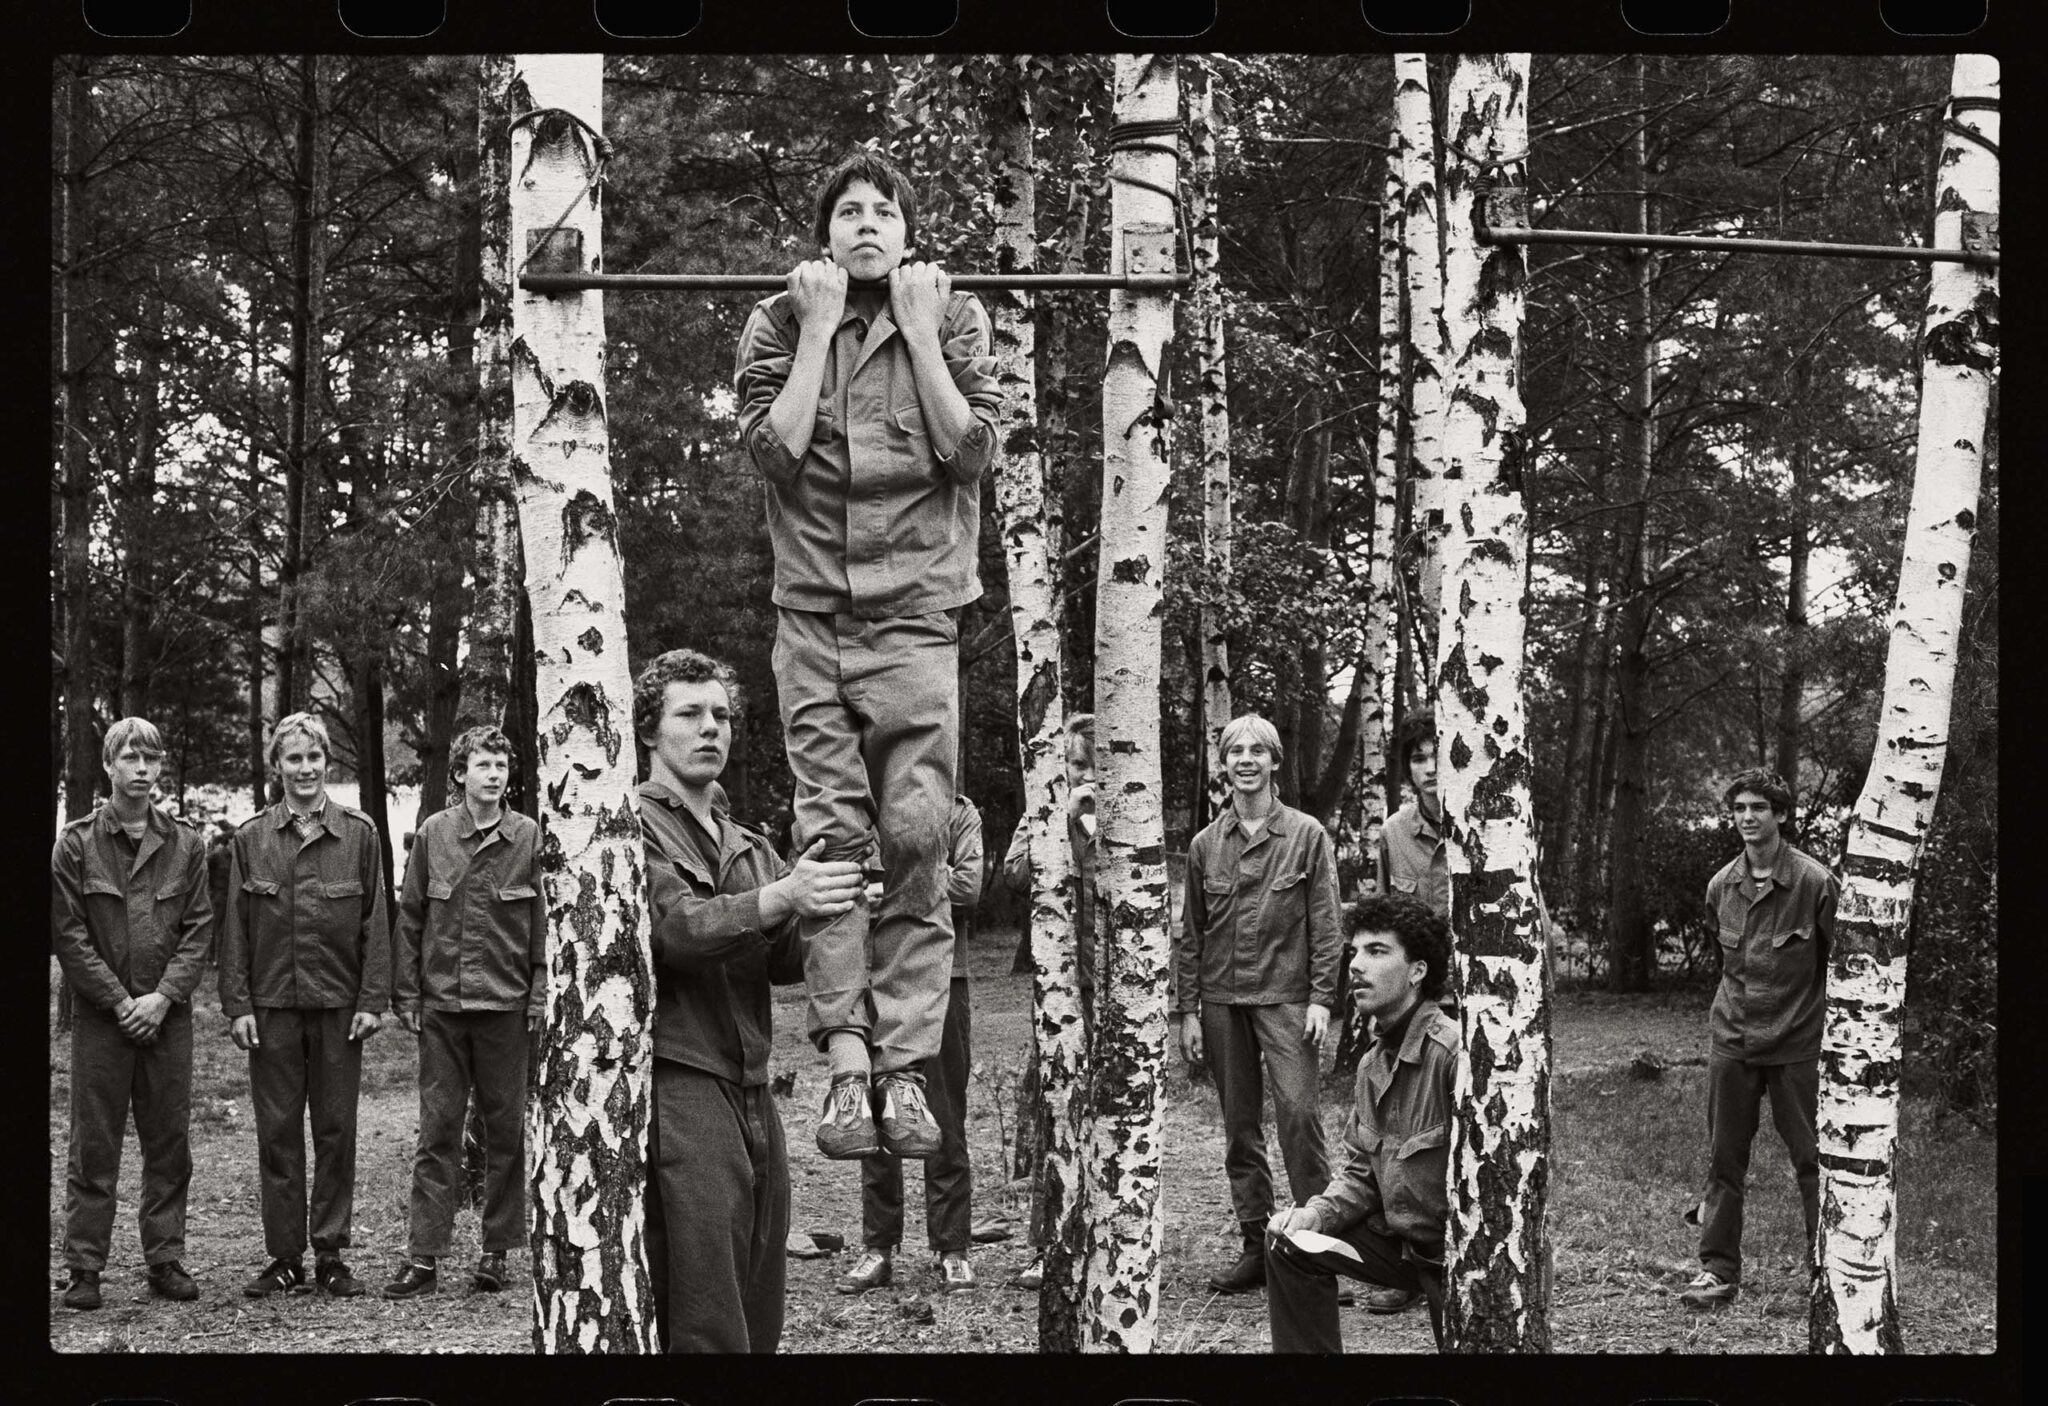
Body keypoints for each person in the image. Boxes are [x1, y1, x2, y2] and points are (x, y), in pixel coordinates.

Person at [733, 148, 1001, 1163]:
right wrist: (811, 329)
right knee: (832, 840)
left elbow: (969, 451)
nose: (865, 225)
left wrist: (923, 332)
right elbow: (775, 451)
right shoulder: (774, 318)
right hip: (809, 617)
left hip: (918, 618)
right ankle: (848, 1060)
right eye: (846, 211)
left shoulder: (955, 315)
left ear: (908, 231)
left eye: (883, 211)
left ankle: (905, 1065)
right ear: (823, 235)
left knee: (919, 830)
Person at [633, 648, 867, 1351]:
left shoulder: (748, 843)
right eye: (690, 714)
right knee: (707, 1311)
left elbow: (783, 959)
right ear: (649, 731)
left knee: (759, 1296)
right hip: (682, 1080)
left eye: (722, 716)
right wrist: (780, 896)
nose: (711, 729)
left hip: (755, 1089)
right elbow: (674, 931)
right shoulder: (627, 826)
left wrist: (838, 906)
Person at [218, 711, 390, 1300]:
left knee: (337, 1130)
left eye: (314, 757)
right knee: (279, 1133)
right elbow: (235, 931)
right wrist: (238, 1005)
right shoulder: (252, 838)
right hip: (272, 1009)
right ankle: (285, 1255)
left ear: (327, 763)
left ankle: (331, 1254)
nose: (305, 769)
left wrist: (372, 998)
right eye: (293, 759)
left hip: (341, 1007)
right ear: (277, 767)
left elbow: (376, 922)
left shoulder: (359, 834)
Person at [1176, 712, 1343, 1294]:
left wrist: (1323, 998)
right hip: (1222, 1003)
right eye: (1234, 751)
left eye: (1257, 751)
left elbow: (1327, 925)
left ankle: (1318, 1248)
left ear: (1274, 762)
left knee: (1300, 1118)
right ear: (1223, 766)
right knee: (1239, 1129)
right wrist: (1186, 1010)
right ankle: (1256, 1246)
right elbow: (1190, 933)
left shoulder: (1306, 835)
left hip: (1288, 1001)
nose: (1245, 759)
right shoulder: (1204, 845)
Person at [52, 718, 213, 1310]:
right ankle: (85, 1267)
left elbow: (199, 931)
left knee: (168, 1143)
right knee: (93, 1143)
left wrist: (163, 997)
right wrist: (121, 1001)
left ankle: (164, 1259)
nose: (142, 770)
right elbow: (69, 935)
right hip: (103, 1021)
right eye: (130, 759)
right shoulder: (76, 843)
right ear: (108, 767)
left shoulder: (186, 844)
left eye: (151, 759)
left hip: (167, 1019)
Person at [382, 726, 546, 1301]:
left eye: (502, 765)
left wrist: (539, 992)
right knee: (438, 1131)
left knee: (505, 1134)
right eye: (483, 764)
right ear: (460, 774)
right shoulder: (434, 834)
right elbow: (410, 917)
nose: (494, 774)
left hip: (505, 1009)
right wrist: (406, 994)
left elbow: (541, 925)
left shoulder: (527, 836)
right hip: (444, 1010)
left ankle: (496, 1252)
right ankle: (423, 1257)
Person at [1265, 893, 1458, 1351]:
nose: (1355, 964)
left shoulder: (1453, 1056)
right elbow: (1360, 1174)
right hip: (1399, 1247)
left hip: (1455, 1259)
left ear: (1417, 971)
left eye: (1376, 951)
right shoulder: (1373, 1064)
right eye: (1354, 951)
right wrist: (1314, 1213)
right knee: (1288, 1242)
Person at [1679, 768, 1838, 1310]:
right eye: (1740, 808)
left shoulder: (1814, 883)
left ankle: (1831, 1274)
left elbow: (1837, 963)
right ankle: (1716, 1272)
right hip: (1734, 1042)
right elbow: (1727, 961)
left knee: (1815, 1162)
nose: (1748, 817)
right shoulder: (1721, 886)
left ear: (1782, 816)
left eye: (1759, 808)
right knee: (1725, 1161)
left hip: (1797, 1044)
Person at [842, 791, 986, 1295]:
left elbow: (968, 888)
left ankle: (953, 1249)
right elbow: (839, 887)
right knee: (875, 1114)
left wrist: (890, 888)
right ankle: (878, 1248)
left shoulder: (957, 812)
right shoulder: (857, 813)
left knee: (943, 1114)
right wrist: (921, 882)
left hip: (943, 979)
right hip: (872, 978)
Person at [998, 713, 1099, 1291]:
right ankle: (1047, 1242)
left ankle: (1109, 1232)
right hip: (1058, 988)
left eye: (1094, 766)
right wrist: (1062, 822)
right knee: (1049, 1109)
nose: (1086, 776)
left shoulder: (1130, 819)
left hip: (1111, 986)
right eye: (1076, 765)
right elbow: (1013, 877)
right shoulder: (1041, 816)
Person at [1378, 711, 1446, 918]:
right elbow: (1383, 913)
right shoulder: (1393, 832)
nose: (1430, 769)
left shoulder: (1485, 826)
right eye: (1419, 759)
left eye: (1438, 756)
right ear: (1408, 768)